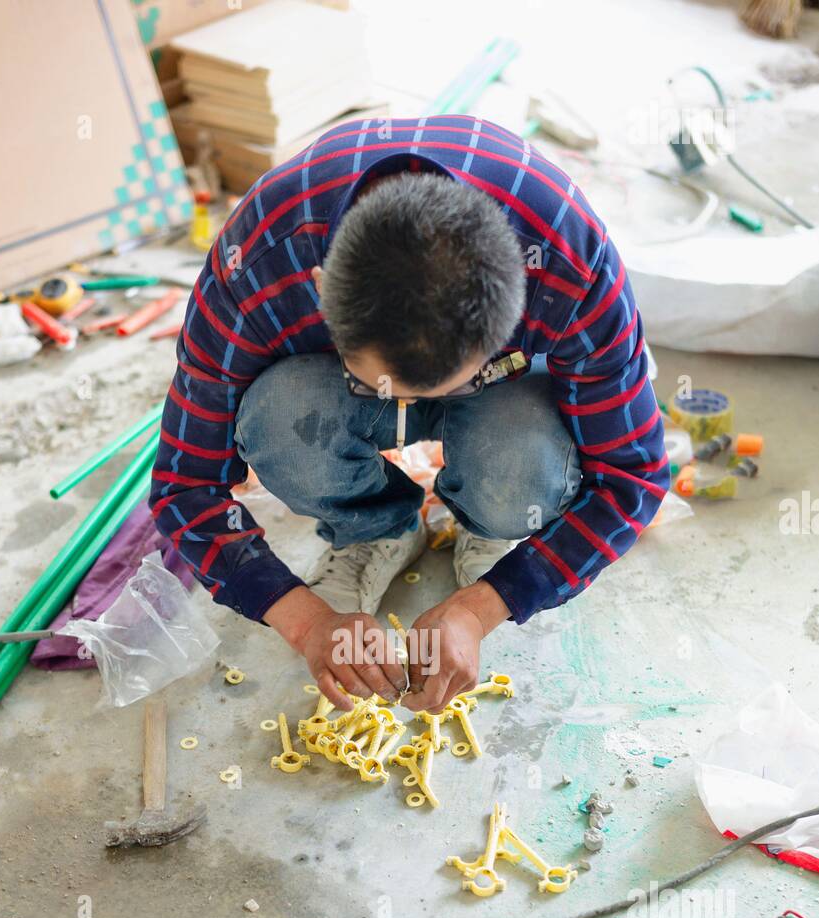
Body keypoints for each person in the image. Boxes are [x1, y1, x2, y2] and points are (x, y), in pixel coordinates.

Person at [150, 115, 668, 713]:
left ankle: (486, 521)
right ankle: (377, 531)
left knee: (520, 462)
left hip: (506, 399)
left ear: (517, 307)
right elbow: (184, 486)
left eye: (455, 381)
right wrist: (306, 620)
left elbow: (631, 479)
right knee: (284, 419)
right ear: (321, 291)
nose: (415, 415)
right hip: (317, 371)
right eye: (384, 384)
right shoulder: (254, 265)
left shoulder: (570, 266)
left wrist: (483, 606)